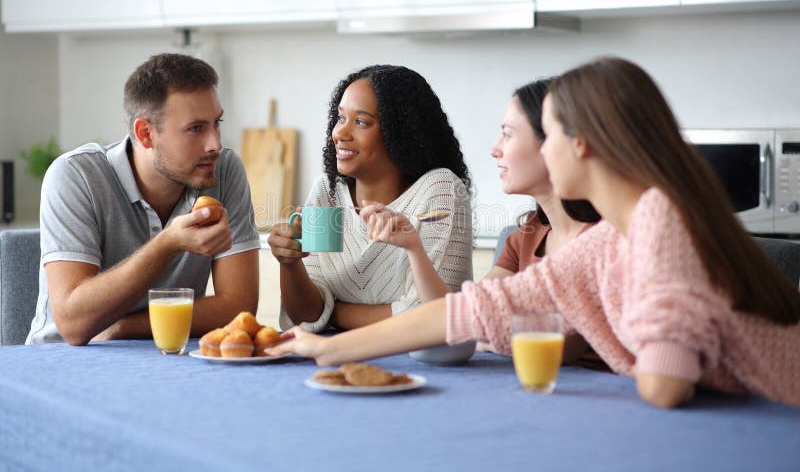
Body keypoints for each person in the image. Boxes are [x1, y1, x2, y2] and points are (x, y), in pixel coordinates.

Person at [269, 57, 800, 409]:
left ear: (582, 144)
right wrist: (327, 351)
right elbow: (474, 310)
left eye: (547, 136)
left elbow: (665, 382)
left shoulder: (657, 216)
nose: (537, 152)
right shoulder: (604, 243)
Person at [358, 78, 601, 363]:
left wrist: (482, 330)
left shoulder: (600, 241)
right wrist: (414, 246)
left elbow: (560, 344)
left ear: (554, 143)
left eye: (508, 135)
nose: (495, 149)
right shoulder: (528, 235)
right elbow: (459, 317)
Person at [27, 53, 260, 345]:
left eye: (217, 123)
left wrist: (124, 327)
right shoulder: (76, 176)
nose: (215, 143)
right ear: (145, 133)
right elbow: (74, 325)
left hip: (167, 356)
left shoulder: (223, 170)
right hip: (62, 362)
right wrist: (168, 243)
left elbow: (237, 308)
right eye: (196, 128)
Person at [268, 64, 472, 332]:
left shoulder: (440, 190)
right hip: (333, 360)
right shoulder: (327, 192)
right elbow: (305, 317)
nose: (339, 133)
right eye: (341, 118)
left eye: (361, 122)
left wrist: (333, 313)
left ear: (399, 134)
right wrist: (290, 263)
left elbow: (432, 315)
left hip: (415, 363)